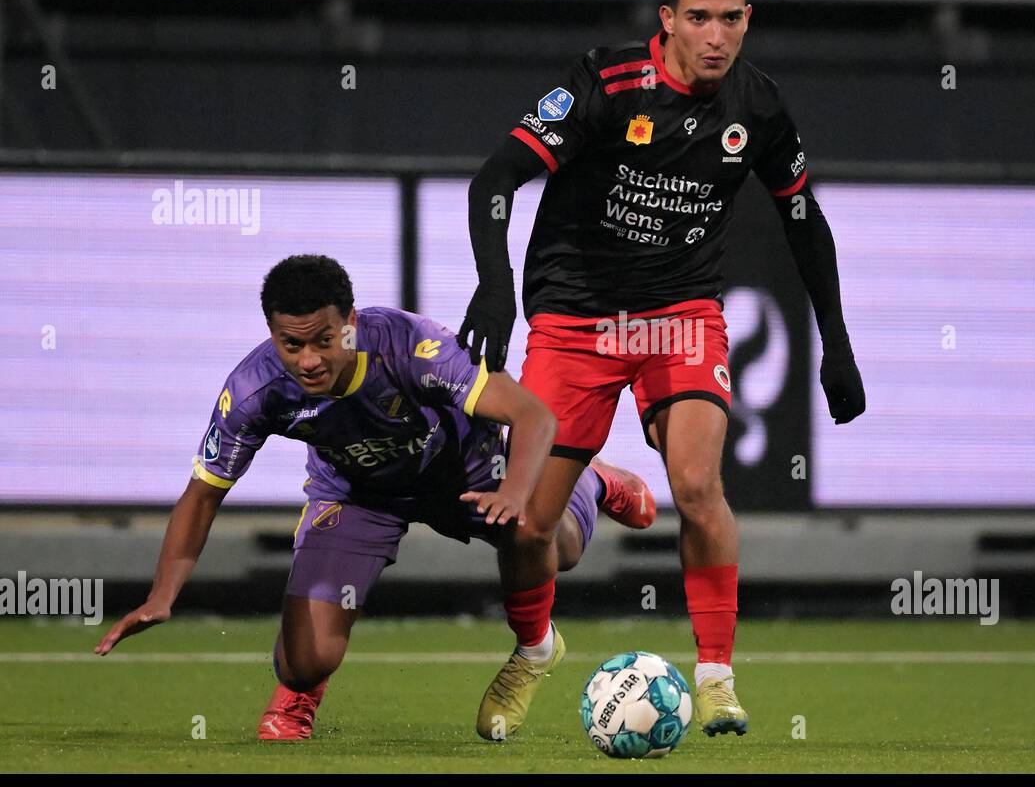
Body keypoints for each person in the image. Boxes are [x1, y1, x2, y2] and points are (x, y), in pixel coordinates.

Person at [460, 0, 866, 738]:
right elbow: (497, 178)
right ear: (668, 19)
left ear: (749, 19)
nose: (717, 36)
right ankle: (535, 650)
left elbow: (803, 219)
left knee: (696, 484)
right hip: (576, 321)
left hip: (680, 315)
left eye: (733, 18)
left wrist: (837, 342)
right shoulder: (603, 86)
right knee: (529, 527)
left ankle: (716, 677)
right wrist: (496, 284)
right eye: (701, 18)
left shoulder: (759, 104)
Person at [95, 254, 654, 740]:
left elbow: (532, 414)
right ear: (272, 335)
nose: (308, 360)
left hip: (462, 470)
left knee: (551, 542)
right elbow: (203, 494)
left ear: (351, 323)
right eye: (291, 344)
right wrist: (163, 594)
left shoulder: (412, 346)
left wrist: (513, 490)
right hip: (358, 494)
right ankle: (300, 694)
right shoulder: (254, 390)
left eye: (323, 339)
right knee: (304, 662)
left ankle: (591, 482)